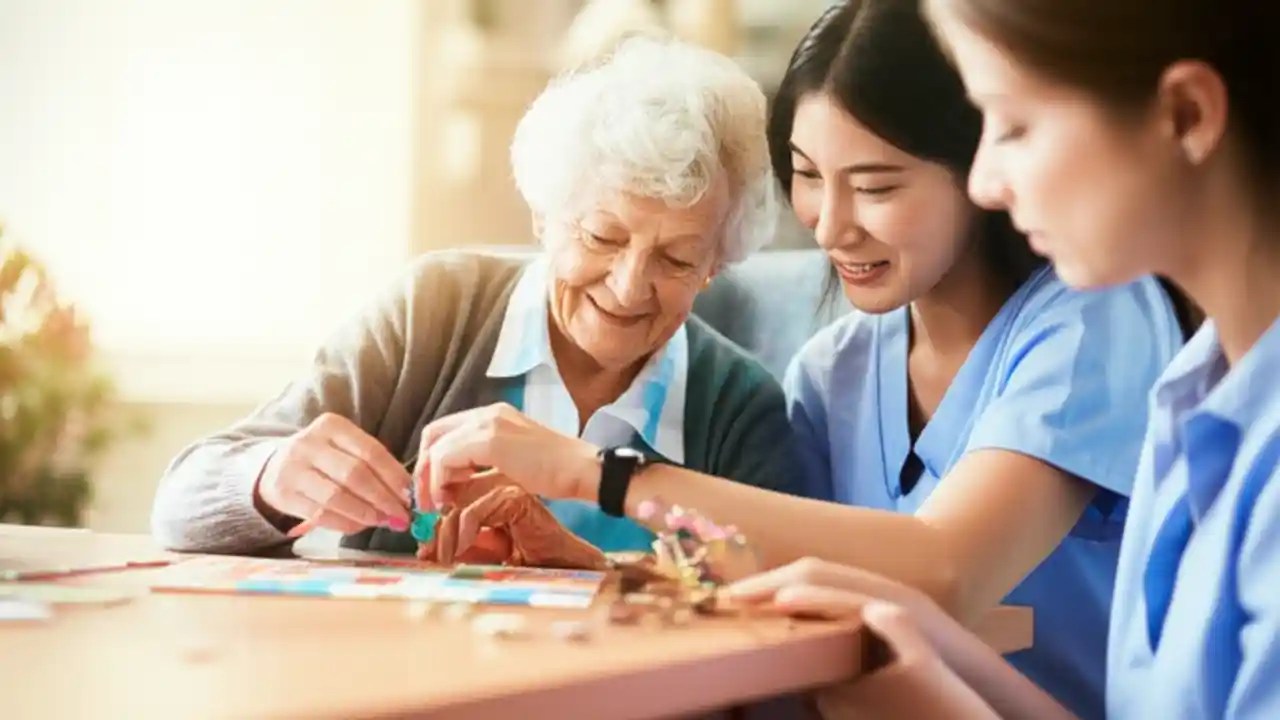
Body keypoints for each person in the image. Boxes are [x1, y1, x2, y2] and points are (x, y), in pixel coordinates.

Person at [411, 2, 1187, 716]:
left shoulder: (1094, 323)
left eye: (875, 186)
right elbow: (773, 590)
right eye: (809, 177)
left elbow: (946, 571)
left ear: (977, 170)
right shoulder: (833, 372)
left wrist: (595, 473)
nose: (830, 227)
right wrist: (585, 564)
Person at [724, 0, 1280, 718]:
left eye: (1014, 125)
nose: (984, 182)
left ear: (1185, 115)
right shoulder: (1195, 395)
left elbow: (950, 565)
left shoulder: (1128, 351)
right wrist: (930, 646)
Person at [149, 36, 803, 560]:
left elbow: (777, 603)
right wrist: (269, 477)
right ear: (544, 217)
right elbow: (183, 501)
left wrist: (595, 570)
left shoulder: (740, 407)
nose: (630, 284)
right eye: (603, 236)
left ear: (715, 266)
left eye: (677, 258)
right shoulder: (434, 311)